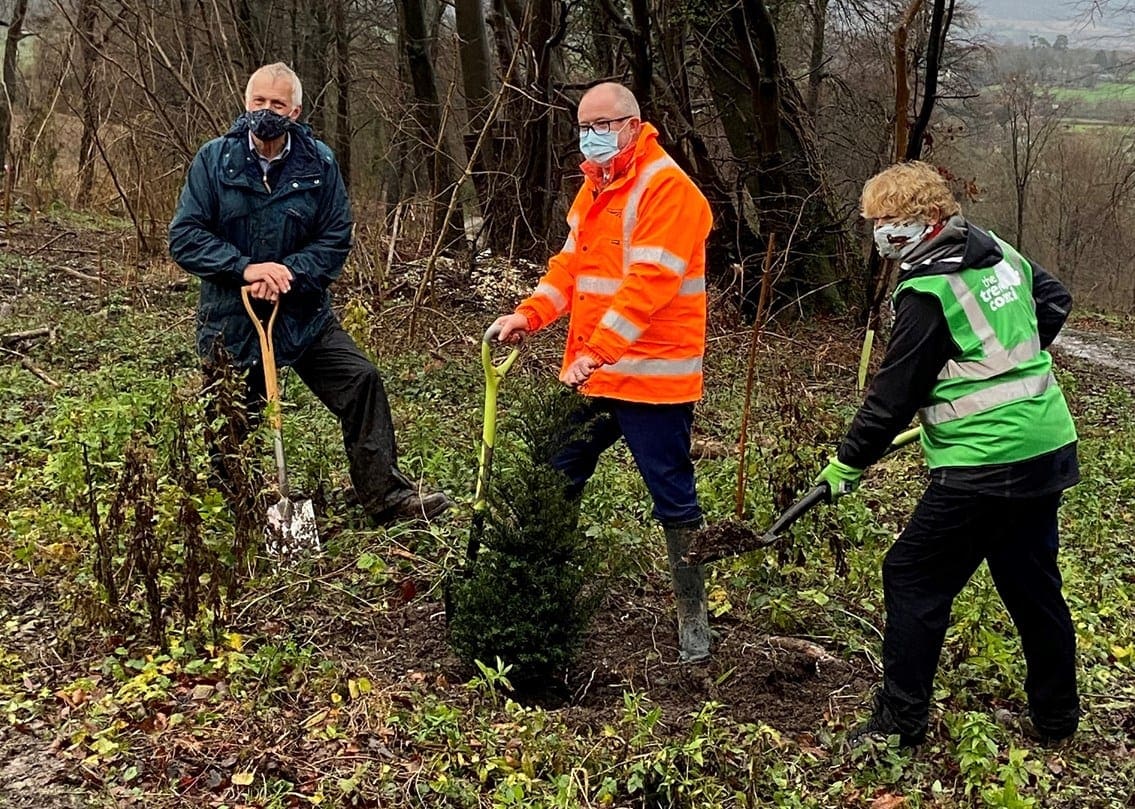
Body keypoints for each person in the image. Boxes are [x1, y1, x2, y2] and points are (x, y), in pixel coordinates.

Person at [816, 160, 1080, 747]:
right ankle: (1058, 719)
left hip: (985, 464)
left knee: (911, 576)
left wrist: (847, 463)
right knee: (1030, 583)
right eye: (876, 222)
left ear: (933, 218)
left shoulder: (929, 291)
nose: (883, 233)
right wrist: (1010, 365)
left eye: (894, 221)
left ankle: (898, 725)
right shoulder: (999, 253)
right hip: (1046, 446)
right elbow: (1054, 300)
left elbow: (892, 396)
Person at [489, 82, 714, 662]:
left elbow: (650, 284)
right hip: (593, 372)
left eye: (604, 123)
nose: (592, 135)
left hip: (652, 377)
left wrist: (601, 347)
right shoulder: (594, 188)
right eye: (585, 125)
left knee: (672, 495)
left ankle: (694, 619)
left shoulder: (669, 190)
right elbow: (570, 267)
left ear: (635, 126)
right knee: (552, 475)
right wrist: (528, 314)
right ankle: (543, 596)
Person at [169, 62, 449, 525]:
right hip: (232, 319)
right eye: (259, 101)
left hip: (303, 315)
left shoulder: (318, 163)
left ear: (295, 110)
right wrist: (245, 268)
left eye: (277, 104)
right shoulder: (214, 160)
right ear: (246, 103)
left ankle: (385, 496)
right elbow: (186, 236)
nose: (266, 111)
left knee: (361, 381)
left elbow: (335, 238)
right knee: (231, 424)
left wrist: (286, 274)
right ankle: (235, 517)